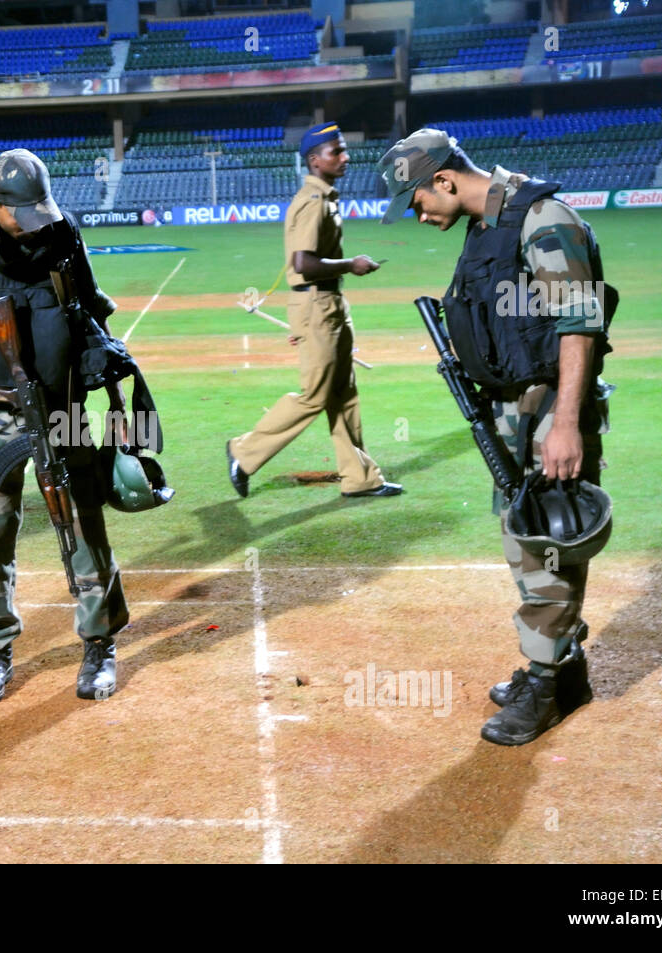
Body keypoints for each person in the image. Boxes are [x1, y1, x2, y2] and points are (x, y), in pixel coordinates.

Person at [376, 128, 613, 745]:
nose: (418, 214)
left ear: (446, 180)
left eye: (418, 200)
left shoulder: (542, 219)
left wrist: (565, 421)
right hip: (512, 411)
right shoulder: (489, 229)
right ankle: (564, 669)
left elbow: (579, 322)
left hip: (548, 411)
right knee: (524, 540)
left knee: (549, 542)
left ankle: (545, 683)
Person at [0, 149, 129, 704]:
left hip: (60, 405)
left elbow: (92, 312)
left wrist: (113, 394)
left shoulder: (63, 233)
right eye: (23, 211)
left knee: (81, 521)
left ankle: (100, 642)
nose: (36, 220)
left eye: (42, 207)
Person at [226, 123, 402, 501]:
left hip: (330, 304)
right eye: (336, 152)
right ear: (314, 160)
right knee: (315, 396)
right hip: (316, 305)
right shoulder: (311, 203)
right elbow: (303, 262)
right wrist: (350, 264)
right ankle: (244, 451)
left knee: (344, 394)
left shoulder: (326, 199)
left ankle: (360, 477)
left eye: (343, 150)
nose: (345, 157)